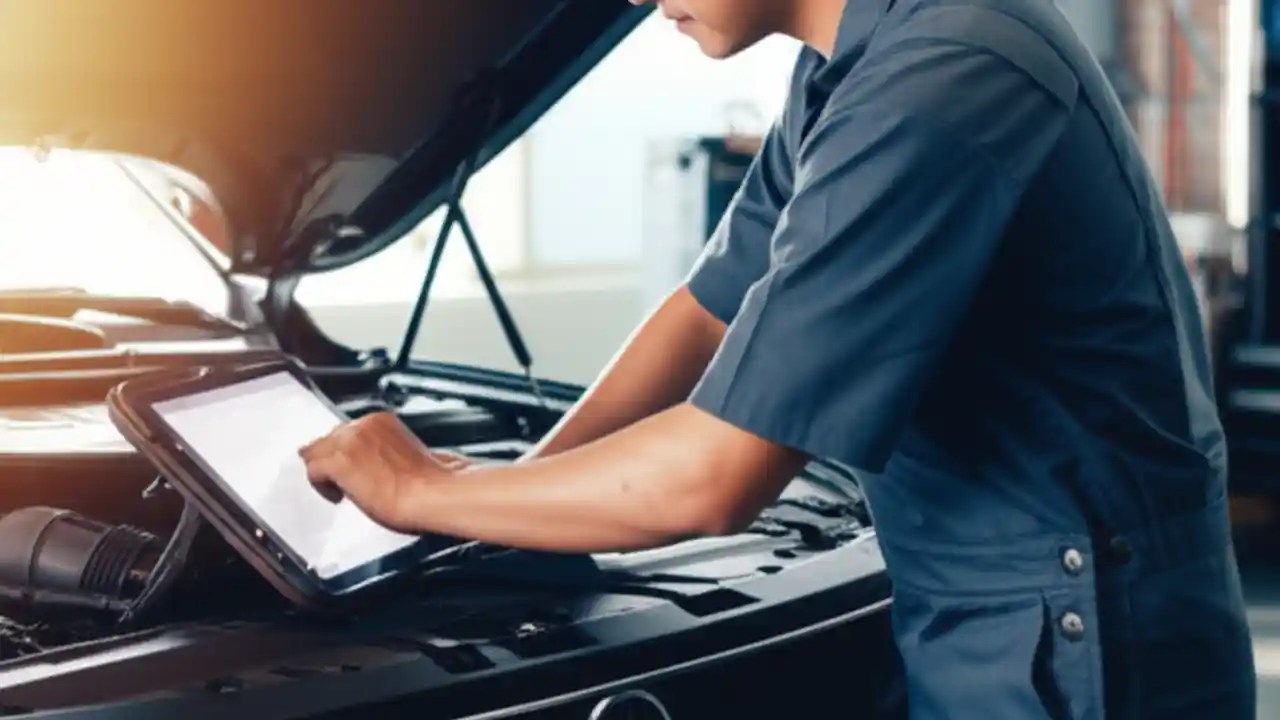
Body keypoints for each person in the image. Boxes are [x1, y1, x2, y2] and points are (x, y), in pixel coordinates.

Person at [299, 0, 1257, 717]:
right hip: (1004, 602)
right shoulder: (854, 64)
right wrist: (517, 493)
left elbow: (716, 479)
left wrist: (425, 493)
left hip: (1082, 636)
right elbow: (708, 313)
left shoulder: (941, 76)